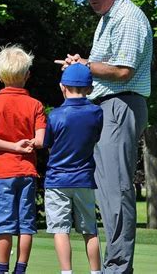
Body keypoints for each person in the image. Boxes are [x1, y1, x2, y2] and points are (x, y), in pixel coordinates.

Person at [59, 0, 152, 274]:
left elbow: (123, 71)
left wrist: (85, 64)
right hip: (106, 106)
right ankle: (116, 265)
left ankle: (118, 268)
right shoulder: (108, 19)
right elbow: (105, 67)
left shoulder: (128, 18)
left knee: (116, 189)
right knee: (106, 190)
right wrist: (84, 66)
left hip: (120, 105)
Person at [0, 45, 46, 274]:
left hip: (1, 173)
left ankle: (2, 269)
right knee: (26, 225)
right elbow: (40, 140)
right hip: (26, 171)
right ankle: (21, 269)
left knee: (4, 226)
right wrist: (24, 145)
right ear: (27, 75)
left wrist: (10, 146)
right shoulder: (35, 104)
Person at [43, 64, 103, 274]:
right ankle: (96, 272)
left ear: (62, 87)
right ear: (89, 88)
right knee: (90, 230)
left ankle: (66, 272)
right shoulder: (96, 113)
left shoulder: (55, 115)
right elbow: (95, 137)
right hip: (84, 179)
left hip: (57, 180)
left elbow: (47, 143)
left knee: (60, 230)